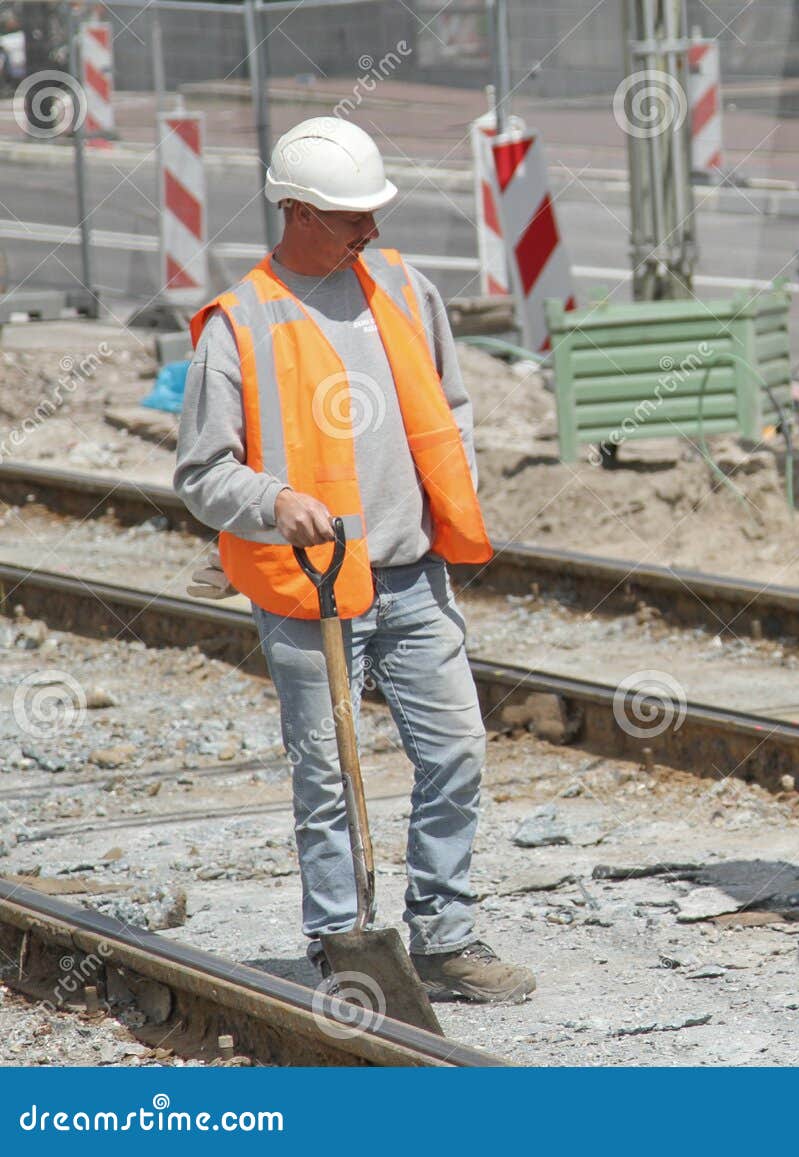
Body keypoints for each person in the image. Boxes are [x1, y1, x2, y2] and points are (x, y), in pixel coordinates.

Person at [174, 117, 535, 1004]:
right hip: (312, 591)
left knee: (456, 752)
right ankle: (341, 941)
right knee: (327, 774)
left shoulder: (406, 290)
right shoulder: (240, 324)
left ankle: (445, 937)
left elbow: (450, 406)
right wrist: (272, 502)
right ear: (296, 213)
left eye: (372, 211)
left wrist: (456, 479)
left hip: (412, 575)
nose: (368, 228)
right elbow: (201, 472)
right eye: (348, 217)